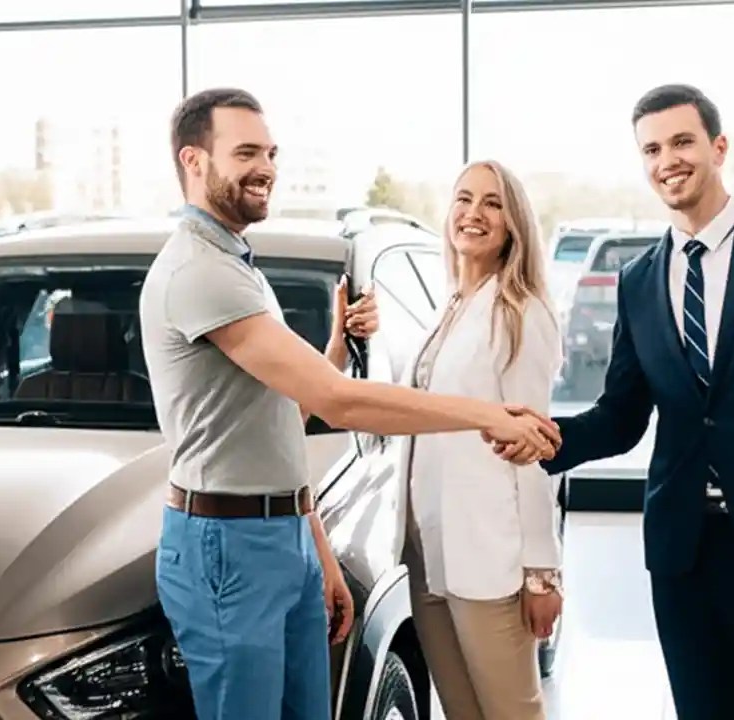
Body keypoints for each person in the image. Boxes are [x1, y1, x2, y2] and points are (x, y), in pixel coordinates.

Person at [139, 87, 561, 720]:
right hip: (227, 545)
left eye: (273, 152)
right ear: (193, 161)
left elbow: (279, 415)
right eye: (247, 151)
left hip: (285, 534)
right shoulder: (200, 270)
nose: (268, 167)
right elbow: (333, 401)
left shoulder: (240, 266)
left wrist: (316, 549)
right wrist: (487, 415)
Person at [496, 84, 734, 719]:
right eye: (651, 149)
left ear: (717, 147)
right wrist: (542, 439)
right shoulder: (639, 279)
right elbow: (620, 417)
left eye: (681, 141)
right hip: (681, 551)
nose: (667, 159)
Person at [399, 160, 564, 720]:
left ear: (513, 224)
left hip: (489, 555)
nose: (474, 213)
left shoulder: (520, 314)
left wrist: (542, 573)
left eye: (492, 203)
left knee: (513, 712)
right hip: (430, 549)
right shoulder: (452, 307)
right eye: (463, 199)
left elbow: (535, 451)